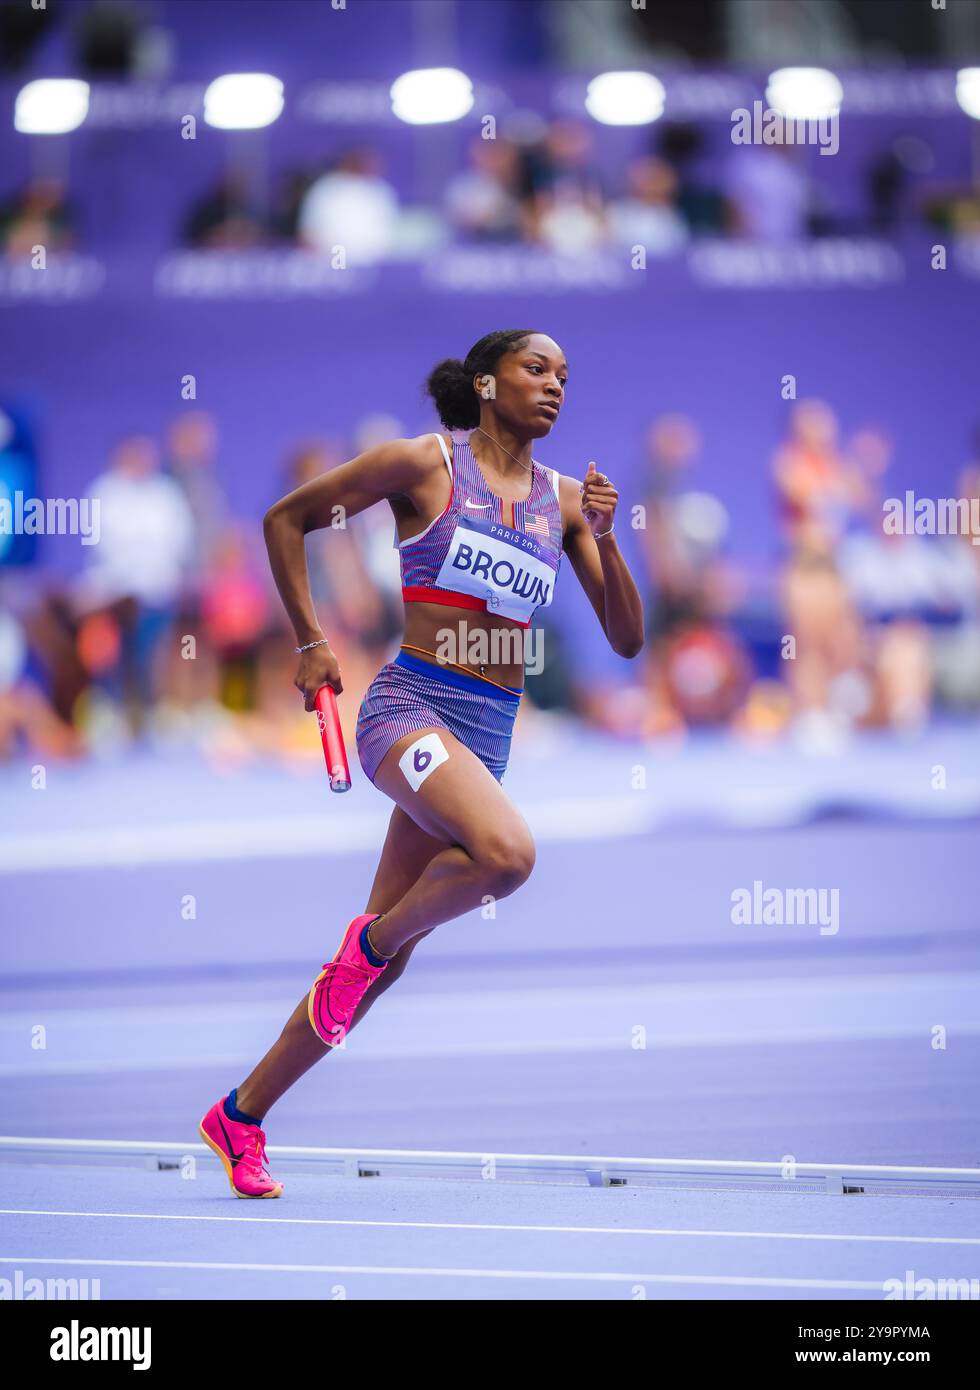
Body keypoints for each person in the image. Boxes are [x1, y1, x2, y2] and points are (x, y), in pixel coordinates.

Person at [198, 329, 645, 1197]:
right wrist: (312, 641)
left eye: (564, 376)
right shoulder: (426, 464)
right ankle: (368, 946)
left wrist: (607, 538)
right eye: (535, 369)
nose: (554, 386)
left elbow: (626, 639)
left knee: (377, 976)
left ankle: (241, 1115)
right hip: (407, 709)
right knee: (508, 858)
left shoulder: (561, 503)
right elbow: (284, 519)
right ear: (486, 383)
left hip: (487, 738)